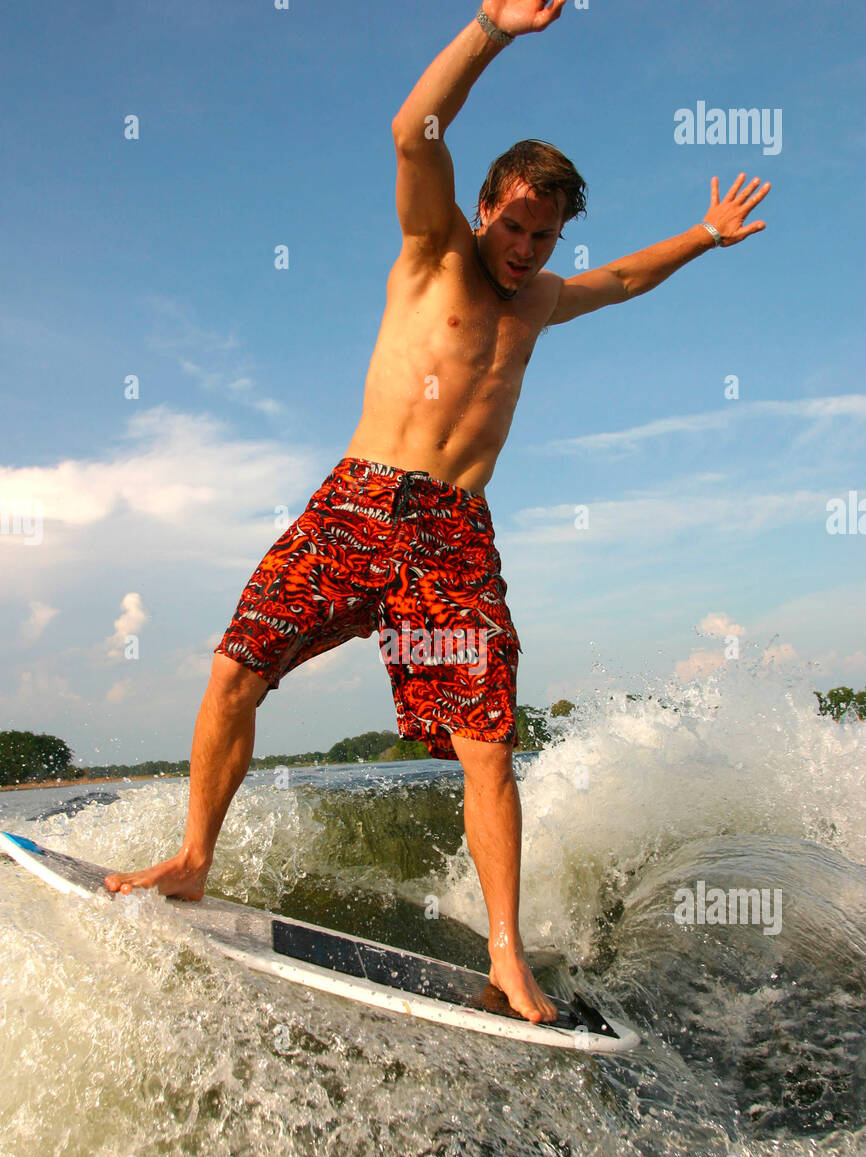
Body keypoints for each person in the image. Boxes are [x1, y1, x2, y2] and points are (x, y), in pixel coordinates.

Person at [105, 1, 770, 1025]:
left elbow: (625, 278)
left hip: (453, 534)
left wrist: (706, 236)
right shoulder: (433, 251)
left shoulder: (541, 298)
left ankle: (506, 955)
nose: (523, 246)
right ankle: (196, 856)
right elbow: (411, 130)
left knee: (485, 742)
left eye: (542, 234)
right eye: (512, 224)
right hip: (360, 501)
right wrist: (490, 29)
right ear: (486, 207)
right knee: (236, 668)